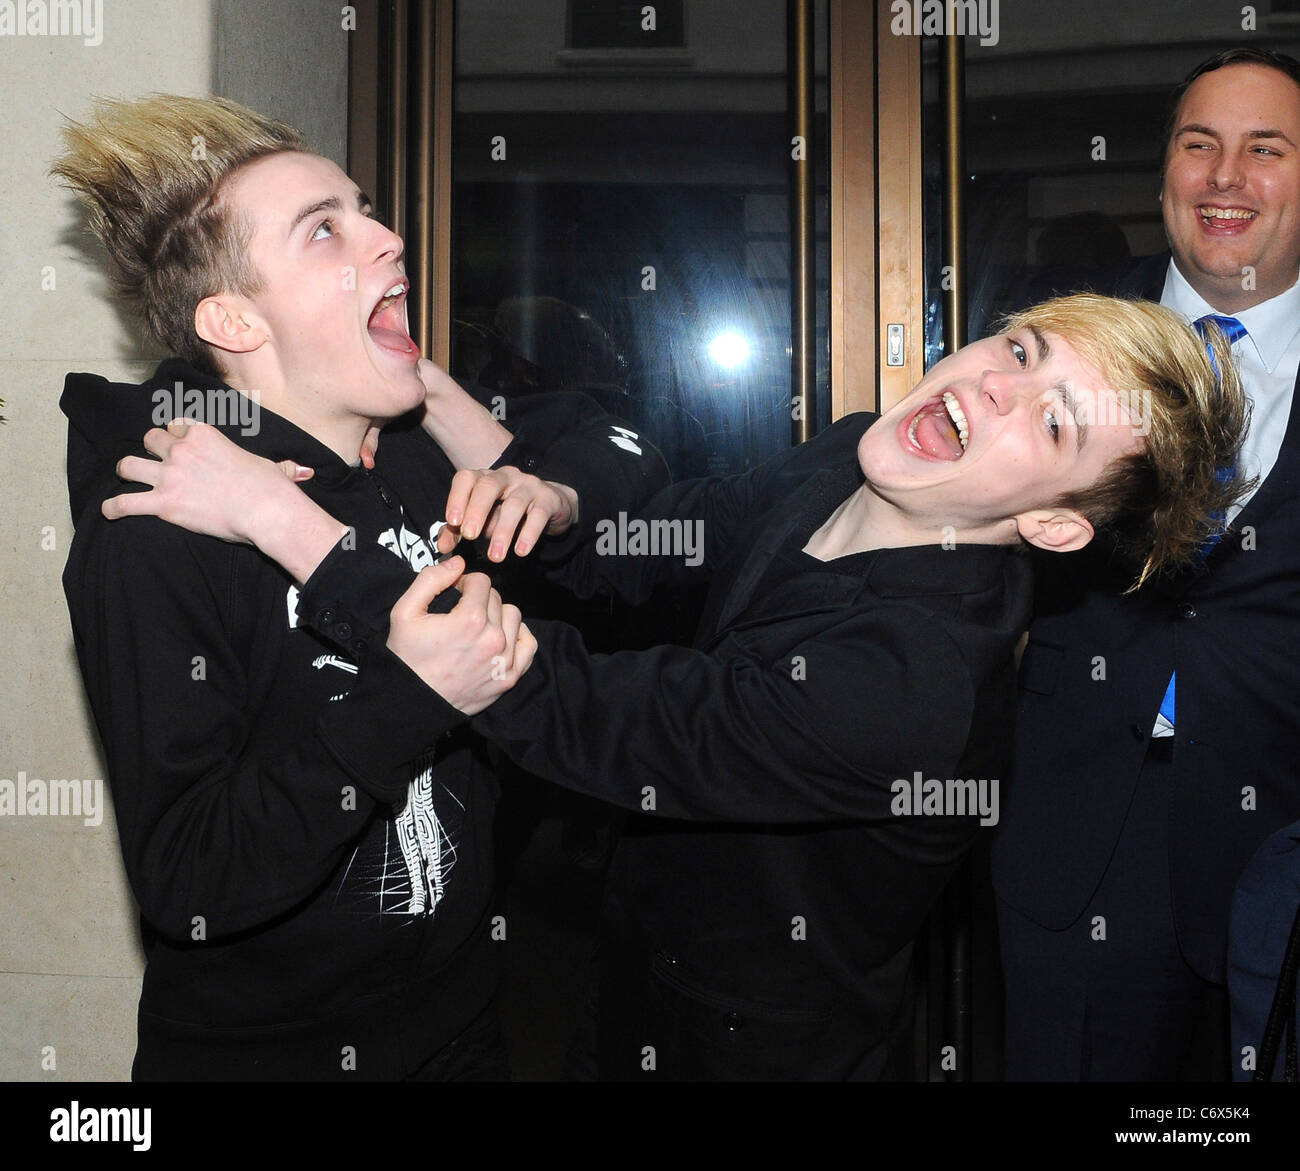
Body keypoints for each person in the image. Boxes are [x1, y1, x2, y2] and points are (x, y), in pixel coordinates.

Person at [108, 290, 1248, 1079]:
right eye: (1020, 351)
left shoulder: (911, 688)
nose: (999, 389)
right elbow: (673, 531)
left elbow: (572, 713)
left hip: (757, 1050)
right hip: (636, 973)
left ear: (1050, 522)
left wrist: (280, 520)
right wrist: (547, 496)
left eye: (1051, 422)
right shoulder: (860, 455)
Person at [54, 93, 665, 1080]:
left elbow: (626, 452)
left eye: (367, 210)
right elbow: (189, 875)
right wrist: (407, 697)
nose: (387, 237)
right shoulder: (158, 533)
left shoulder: (418, 457)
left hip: (465, 1029)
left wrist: (545, 483)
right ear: (234, 319)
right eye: (325, 229)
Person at [993, 47, 1300, 1081]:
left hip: (1279, 842)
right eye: (1197, 144)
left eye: (1265, 149)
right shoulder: (1059, 331)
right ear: (1163, 170)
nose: (1225, 177)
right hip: (1075, 834)